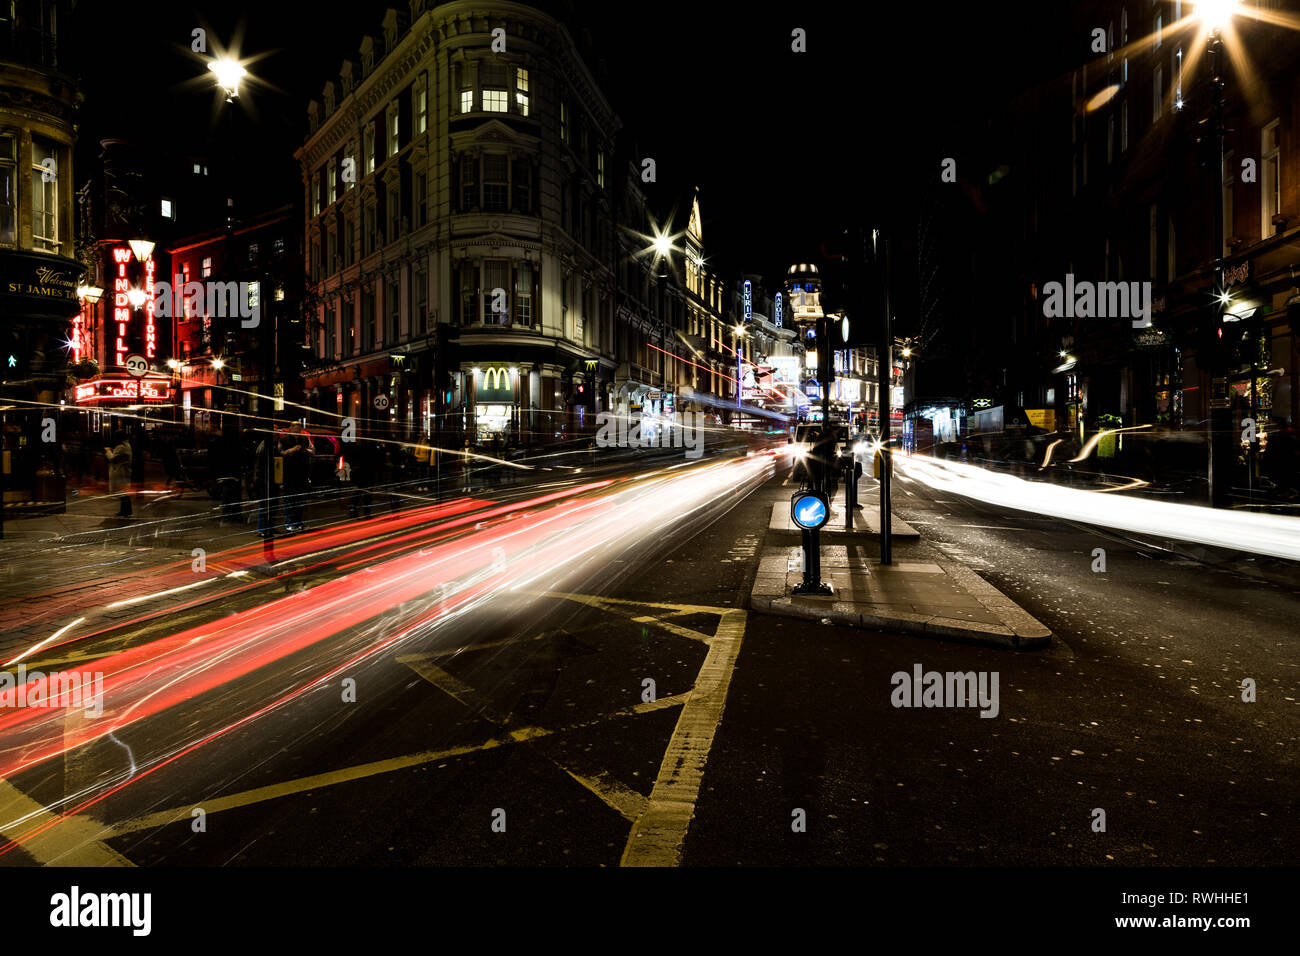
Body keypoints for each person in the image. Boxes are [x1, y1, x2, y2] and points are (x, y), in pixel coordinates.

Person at [278, 420, 312, 533]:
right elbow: (280, 453)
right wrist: (291, 450)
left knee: (300, 501)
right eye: (295, 429)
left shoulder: (304, 439)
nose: (297, 432)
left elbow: (312, 450)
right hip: (289, 474)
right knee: (289, 500)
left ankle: (298, 523)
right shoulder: (284, 440)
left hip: (302, 474)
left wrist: (305, 450)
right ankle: (289, 523)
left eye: (299, 429)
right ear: (290, 429)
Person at [106, 430, 133, 518]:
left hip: (120, 472)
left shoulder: (121, 447)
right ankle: (126, 510)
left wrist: (108, 451)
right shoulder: (127, 445)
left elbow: (112, 458)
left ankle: (125, 511)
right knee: (124, 492)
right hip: (124, 472)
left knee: (122, 493)